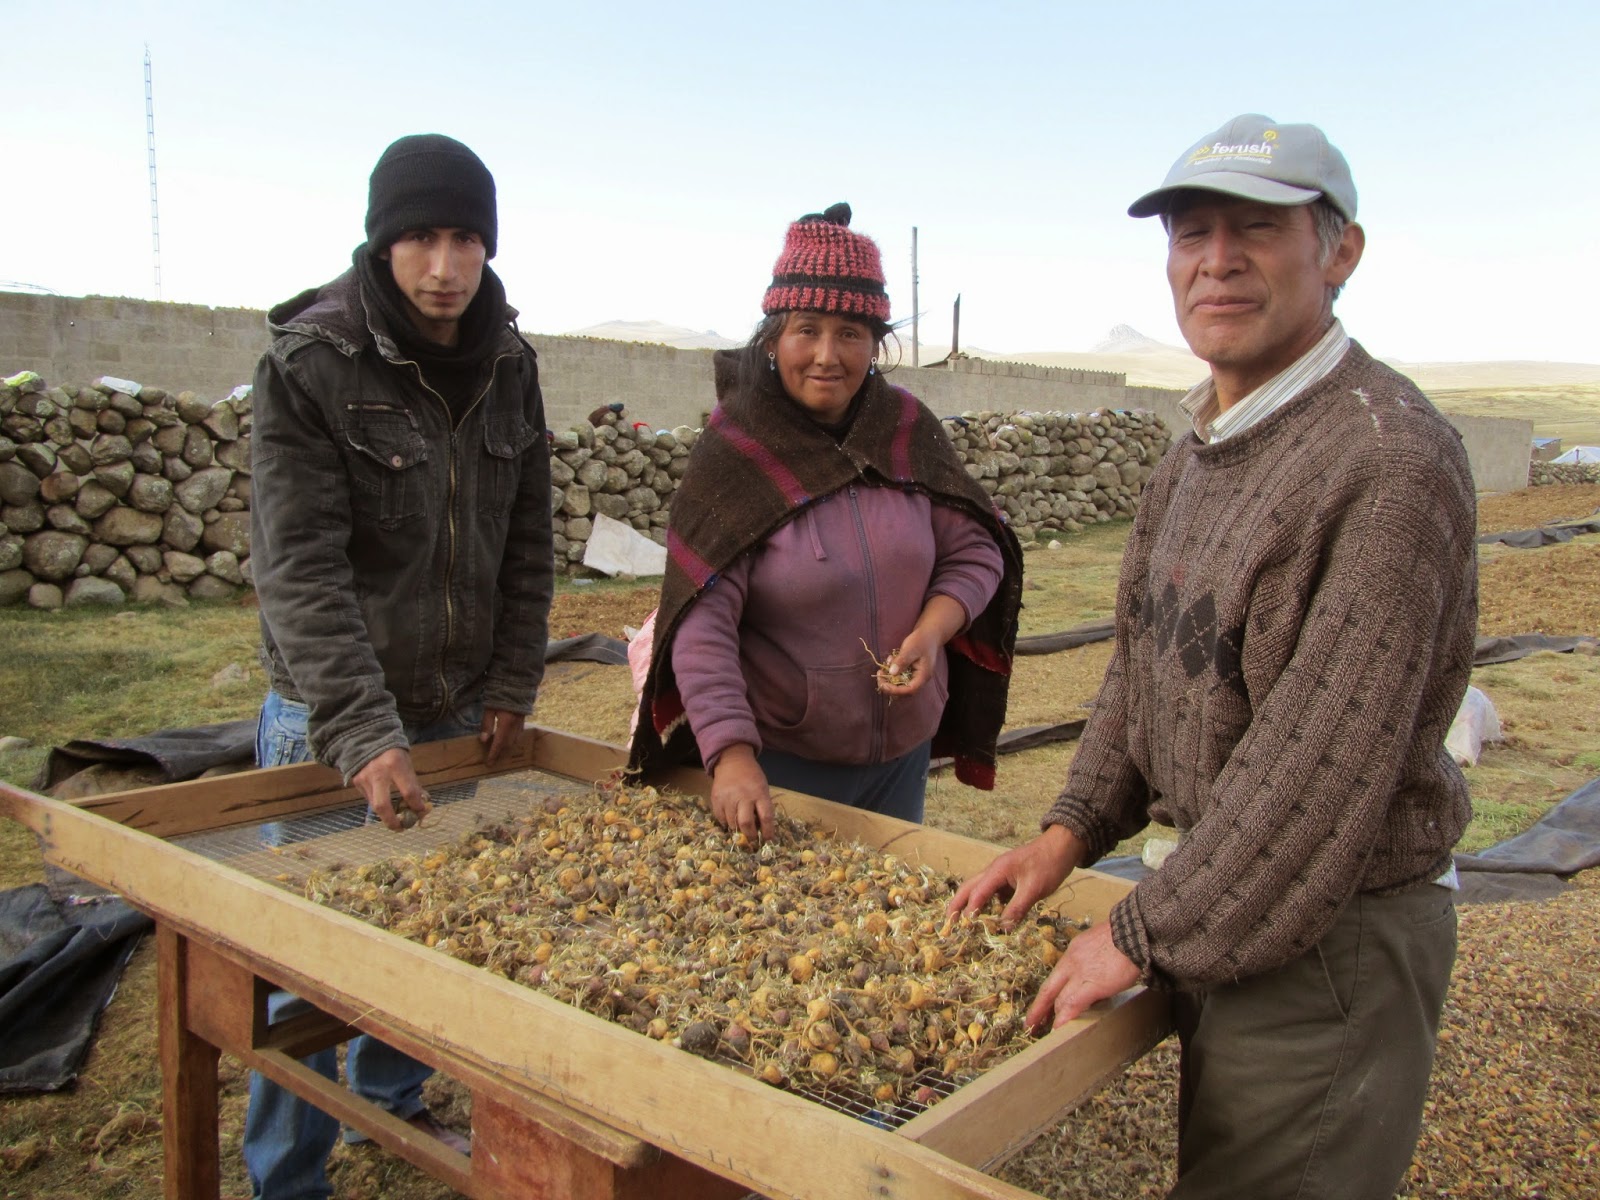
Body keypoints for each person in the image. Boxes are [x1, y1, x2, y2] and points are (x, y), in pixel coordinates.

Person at [951, 115, 1478, 1199]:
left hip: (1331, 938)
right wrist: (1069, 832)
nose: (1216, 261)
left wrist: (1137, 932)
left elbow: (1313, 776)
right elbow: (1143, 672)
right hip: (1231, 895)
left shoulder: (1385, 463)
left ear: (1340, 252)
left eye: (1256, 230)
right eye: (1191, 233)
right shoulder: (1198, 451)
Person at [247, 133, 553, 1198]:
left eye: (464, 238)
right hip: (331, 714)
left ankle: (391, 1102)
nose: (443, 265)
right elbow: (301, 569)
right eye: (421, 237)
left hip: (455, 701)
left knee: (435, 933)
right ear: (383, 242)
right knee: (306, 961)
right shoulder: (313, 362)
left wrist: (512, 683)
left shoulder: (511, 364)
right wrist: (361, 729)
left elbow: (527, 541)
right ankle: (289, 1175)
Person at [628, 203, 1024, 843]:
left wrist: (931, 631)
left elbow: (976, 549)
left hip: (902, 756)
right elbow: (703, 619)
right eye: (806, 329)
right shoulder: (737, 453)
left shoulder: (904, 429)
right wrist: (731, 754)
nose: (826, 355)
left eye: (851, 333)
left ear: (876, 342)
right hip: (784, 763)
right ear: (773, 337)